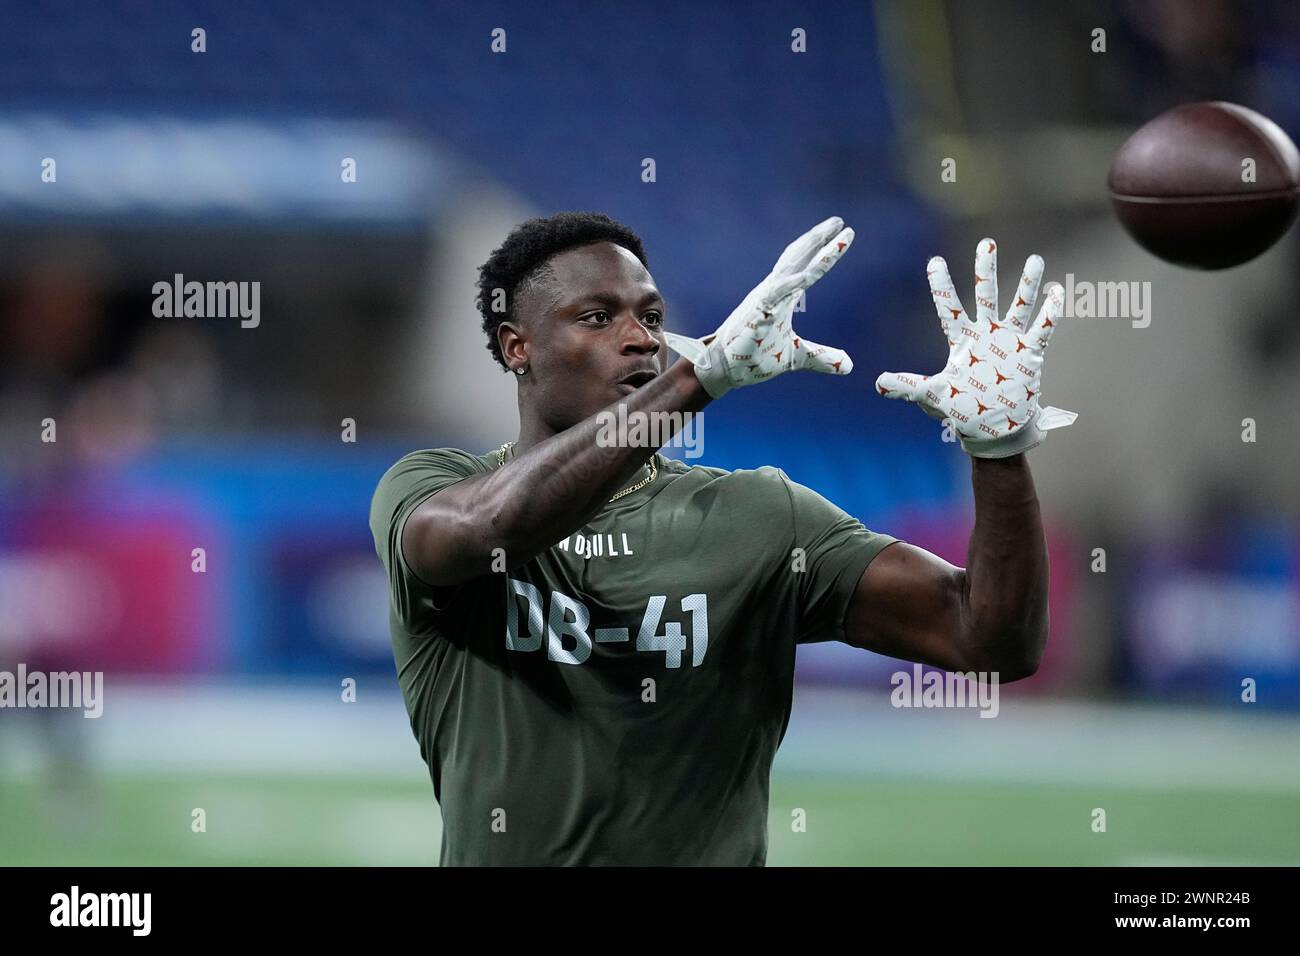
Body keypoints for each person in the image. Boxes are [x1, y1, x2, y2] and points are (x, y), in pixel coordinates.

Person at [369, 212, 1075, 865]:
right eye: (597, 317)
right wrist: (698, 376)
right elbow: (484, 529)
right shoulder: (430, 485)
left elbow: (990, 640)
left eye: (651, 317)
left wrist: (998, 450)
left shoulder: (760, 516)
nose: (641, 336)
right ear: (515, 346)